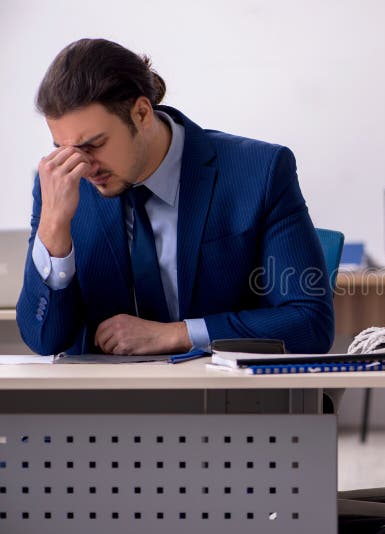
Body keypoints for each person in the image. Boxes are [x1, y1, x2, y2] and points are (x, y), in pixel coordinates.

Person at [17, 38, 334, 356]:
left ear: (141, 113)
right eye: (65, 149)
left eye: (95, 144)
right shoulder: (61, 185)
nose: (83, 165)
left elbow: (309, 323)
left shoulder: (258, 171)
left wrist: (179, 334)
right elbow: (44, 339)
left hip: (228, 396)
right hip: (105, 399)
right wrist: (53, 228)